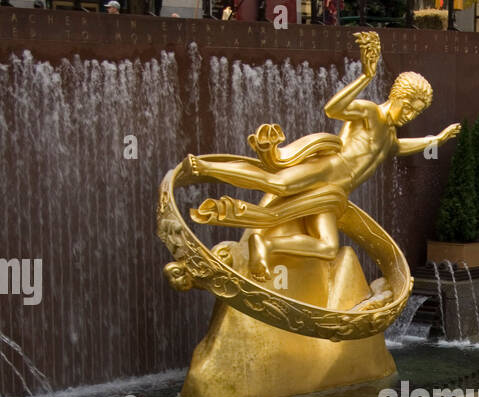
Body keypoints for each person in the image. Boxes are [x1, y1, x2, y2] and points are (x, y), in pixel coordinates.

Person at [186, 31, 459, 283]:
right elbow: (333, 108)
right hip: (329, 169)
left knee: (328, 247)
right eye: (410, 106)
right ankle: (204, 166)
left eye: (417, 112)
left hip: (335, 193)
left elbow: (400, 147)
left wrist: (435, 140)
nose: (411, 114)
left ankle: (266, 246)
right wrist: (366, 76)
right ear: (397, 96)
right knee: (277, 183)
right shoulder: (369, 113)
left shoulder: (388, 137)